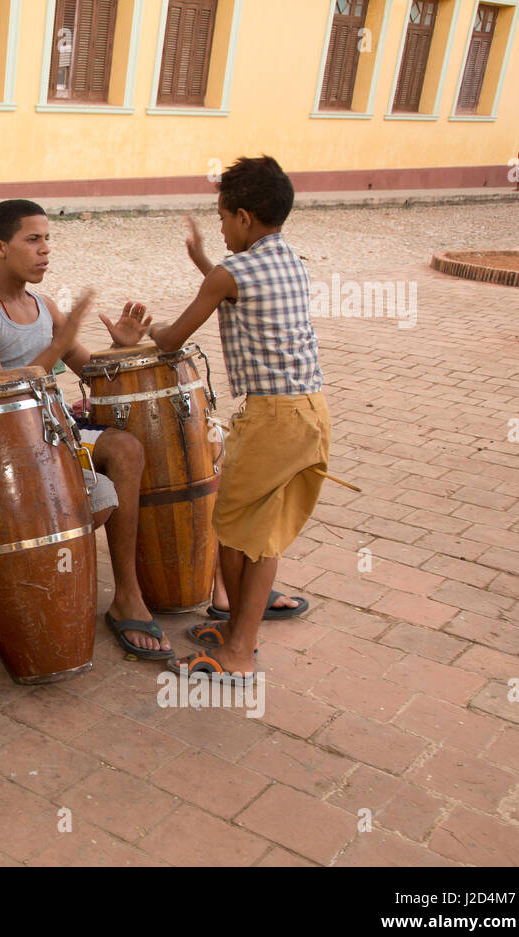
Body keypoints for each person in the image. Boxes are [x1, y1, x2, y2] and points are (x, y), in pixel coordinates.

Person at [139, 156, 330, 683]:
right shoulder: (289, 258)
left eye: (222, 218)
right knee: (258, 529)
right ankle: (238, 629)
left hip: (271, 419)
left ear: (244, 217)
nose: (220, 229)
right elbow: (237, 290)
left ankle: (240, 653)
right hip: (309, 412)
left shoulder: (230, 272)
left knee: (239, 533)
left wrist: (146, 334)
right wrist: (206, 262)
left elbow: (174, 338)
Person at [0, 200, 169, 661]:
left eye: (48, 238)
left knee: (127, 449)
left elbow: (89, 371)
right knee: (90, 494)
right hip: (12, 452)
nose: (45, 250)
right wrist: (56, 341)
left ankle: (127, 594)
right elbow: (5, 389)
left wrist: (118, 347)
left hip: (55, 433)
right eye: (33, 240)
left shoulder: (42, 304)